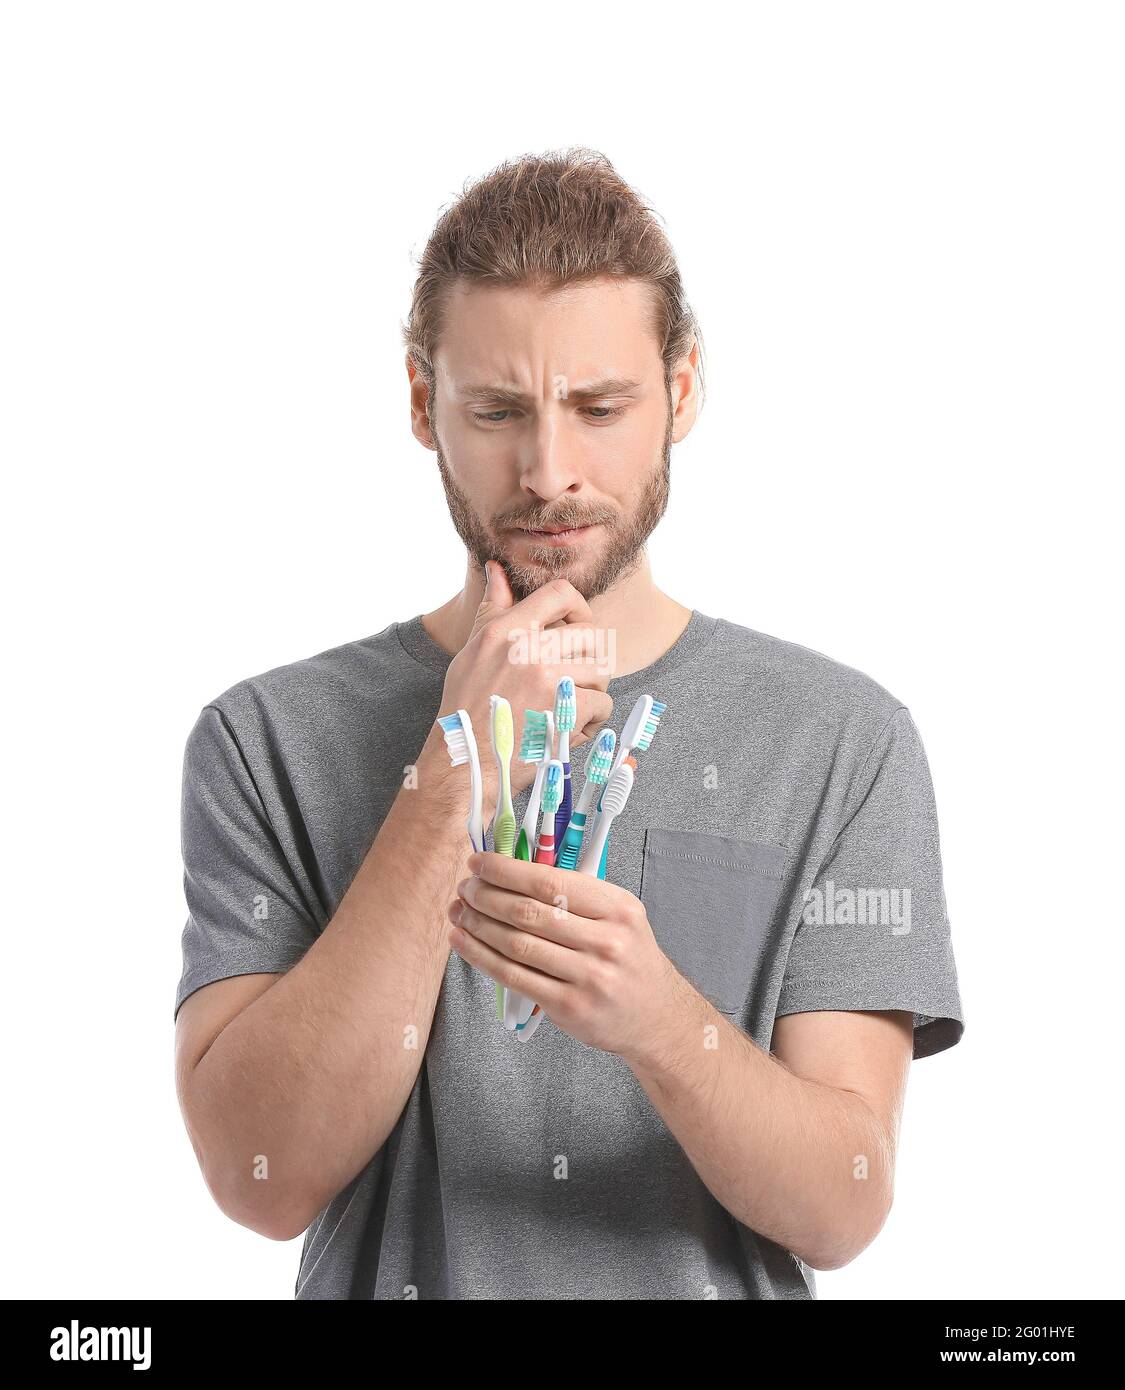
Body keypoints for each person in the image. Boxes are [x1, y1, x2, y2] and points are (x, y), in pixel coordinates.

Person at [173, 147, 964, 1300]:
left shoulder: (844, 742)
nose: (550, 472)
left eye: (600, 407)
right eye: (496, 410)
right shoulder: (263, 741)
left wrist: (653, 1015)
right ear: (418, 403)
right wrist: (454, 775)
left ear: (683, 392)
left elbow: (844, 1204)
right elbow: (262, 1176)